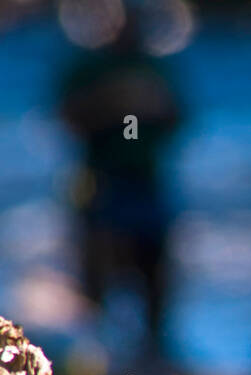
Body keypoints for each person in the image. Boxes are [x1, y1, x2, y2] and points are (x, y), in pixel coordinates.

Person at [58, 10, 183, 351]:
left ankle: (155, 353)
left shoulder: (155, 69)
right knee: (97, 267)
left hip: (146, 181)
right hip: (100, 181)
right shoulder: (88, 68)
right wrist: (111, 103)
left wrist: (148, 106)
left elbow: (179, 119)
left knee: (154, 271)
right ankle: (94, 352)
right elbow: (66, 117)